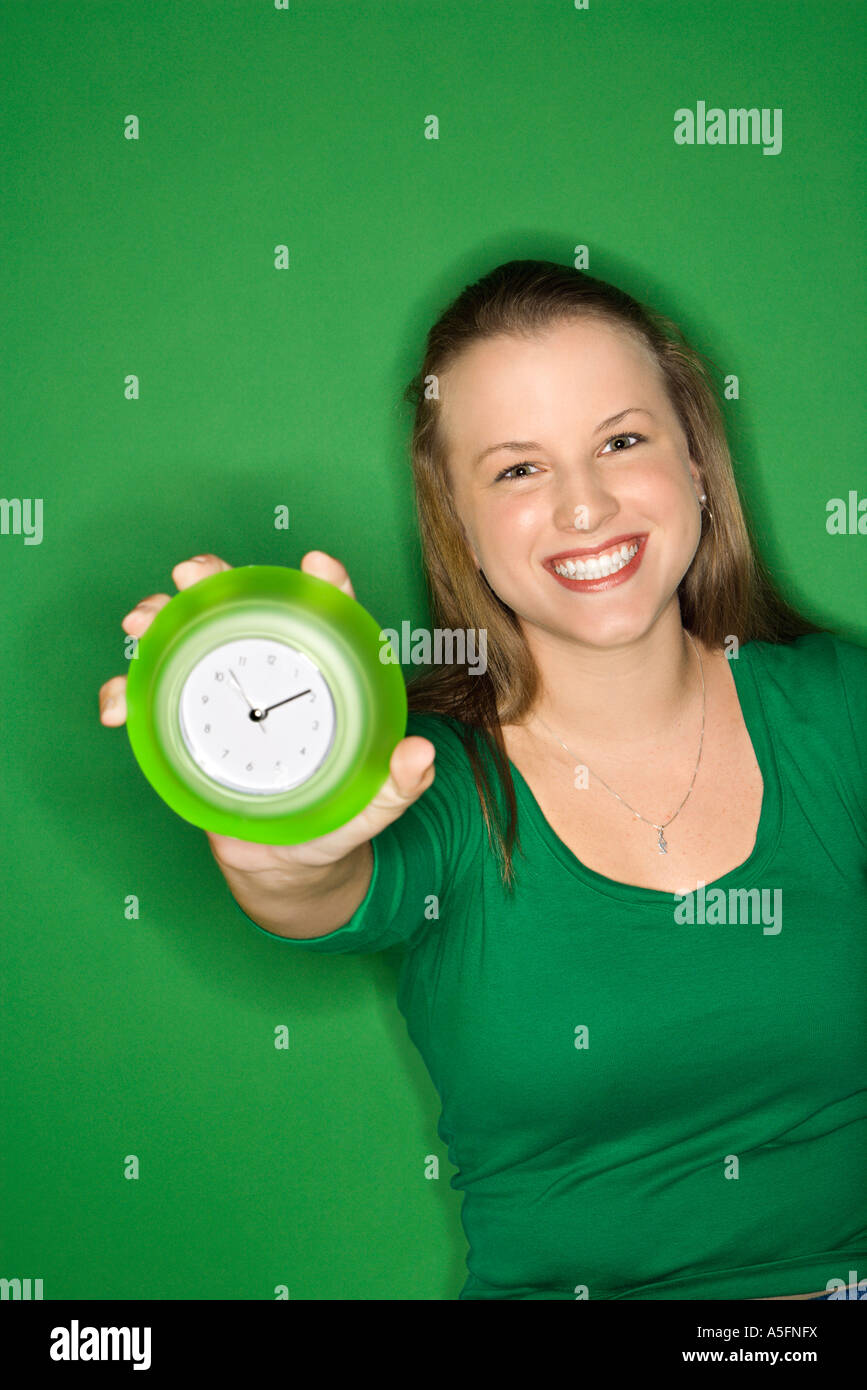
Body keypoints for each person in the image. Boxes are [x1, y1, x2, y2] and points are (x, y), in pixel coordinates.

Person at [99, 260, 867, 1301]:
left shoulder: (842, 713)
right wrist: (270, 827)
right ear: (455, 519)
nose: (585, 506)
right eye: (518, 470)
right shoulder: (431, 780)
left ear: (696, 461)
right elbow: (305, 885)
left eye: (623, 441)